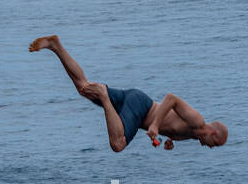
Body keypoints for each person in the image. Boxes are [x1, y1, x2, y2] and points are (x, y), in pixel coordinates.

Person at [29, 34, 228, 151]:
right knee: (118, 144)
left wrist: (169, 141)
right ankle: (105, 96)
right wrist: (156, 125)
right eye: (213, 144)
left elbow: (173, 124)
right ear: (212, 132)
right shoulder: (198, 121)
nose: (209, 147)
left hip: (135, 103)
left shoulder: (194, 135)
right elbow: (171, 99)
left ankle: (55, 46)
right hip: (141, 107)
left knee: (83, 88)